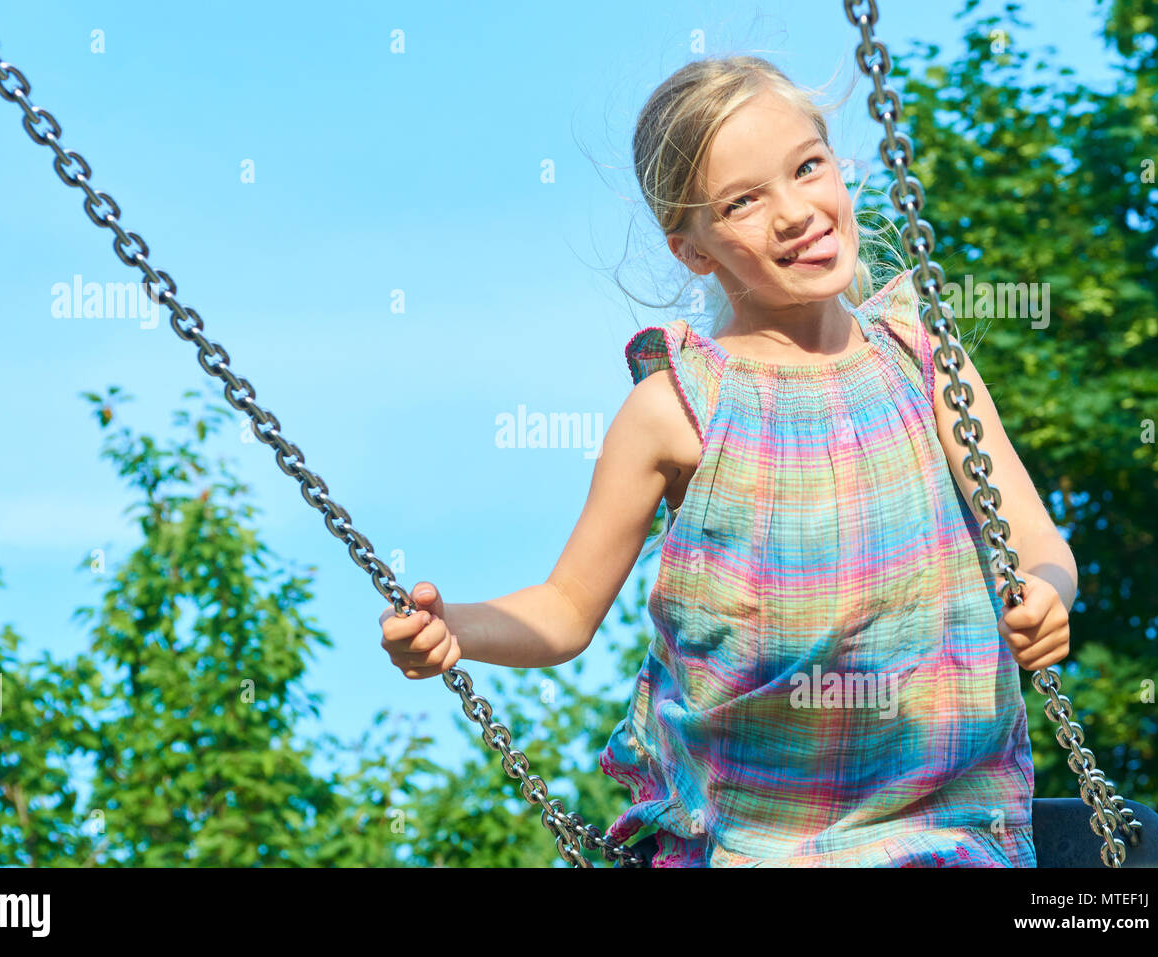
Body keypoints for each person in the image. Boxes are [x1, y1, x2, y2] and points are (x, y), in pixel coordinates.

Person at [379, 55, 1075, 867]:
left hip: (944, 823)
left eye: (807, 168)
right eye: (742, 202)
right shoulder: (678, 407)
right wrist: (452, 628)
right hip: (747, 841)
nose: (794, 212)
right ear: (694, 250)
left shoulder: (924, 363)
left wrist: (1045, 595)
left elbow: (1037, 545)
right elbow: (566, 609)